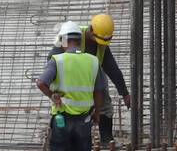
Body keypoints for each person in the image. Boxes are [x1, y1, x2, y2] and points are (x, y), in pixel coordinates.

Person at [34, 23, 103, 151]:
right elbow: (99, 90)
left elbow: (41, 82)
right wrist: (97, 112)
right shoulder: (93, 61)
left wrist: (52, 96)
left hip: (62, 119)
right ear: (79, 41)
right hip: (84, 119)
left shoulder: (58, 60)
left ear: (64, 40)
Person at [45, 13, 131, 143]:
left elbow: (112, 69)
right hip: (71, 80)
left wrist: (124, 93)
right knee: (69, 109)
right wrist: (53, 89)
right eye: (98, 39)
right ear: (91, 30)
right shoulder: (71, 34)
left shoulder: (102, 42)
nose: (100, 43)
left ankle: (107, 139)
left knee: (105, 104)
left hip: (90, 78)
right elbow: (52, 58)